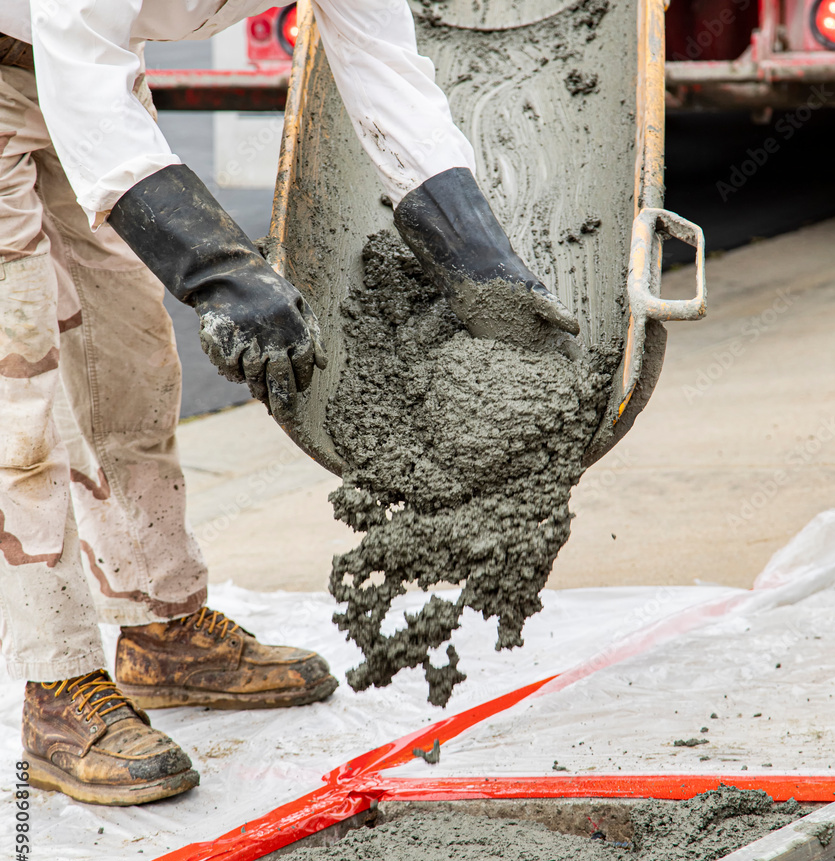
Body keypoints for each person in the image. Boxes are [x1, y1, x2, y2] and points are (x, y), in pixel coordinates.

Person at [0, 1, 577, 806]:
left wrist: (478, 260)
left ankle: (161, 626)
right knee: (17, 396)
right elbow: (82, 72)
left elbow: (386, 76)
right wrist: (220, 270)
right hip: (49, 59)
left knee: (128, 361)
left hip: (73, 70)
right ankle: (57, 690)